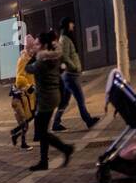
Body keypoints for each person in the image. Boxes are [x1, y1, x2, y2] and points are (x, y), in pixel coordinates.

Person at [27, 31, 74, 171]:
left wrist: (31, 56)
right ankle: (43, 161)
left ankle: (65, 148)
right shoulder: (53, 57)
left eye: (36, 44)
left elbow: (28, 68)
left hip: (46, 99)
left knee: (41, 132)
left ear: (42, 46)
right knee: (42, 130)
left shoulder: (42, 61)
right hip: (53, 96)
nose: (34, 46)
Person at [53, 17, 98, 131]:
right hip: (71, 75)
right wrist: (74, 67)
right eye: (71, 23)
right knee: (80, 99)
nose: (73, 25)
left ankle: (56, 123)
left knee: (64, 102)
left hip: (69, 75)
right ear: (67, 25)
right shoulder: (64, 39)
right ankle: (88, 121)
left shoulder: (66, 38)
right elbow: (64, 56)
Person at [10, 35, 37, 150]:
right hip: (21, 96)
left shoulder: (30, 59)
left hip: (29, 95)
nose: (34, 50)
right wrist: (29, 86)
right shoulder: (23, 60)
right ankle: (21, 142)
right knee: (25, 120)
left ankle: (16, 133)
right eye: (32, 47)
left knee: (30, 117)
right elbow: (19, 78)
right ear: (28, 47)